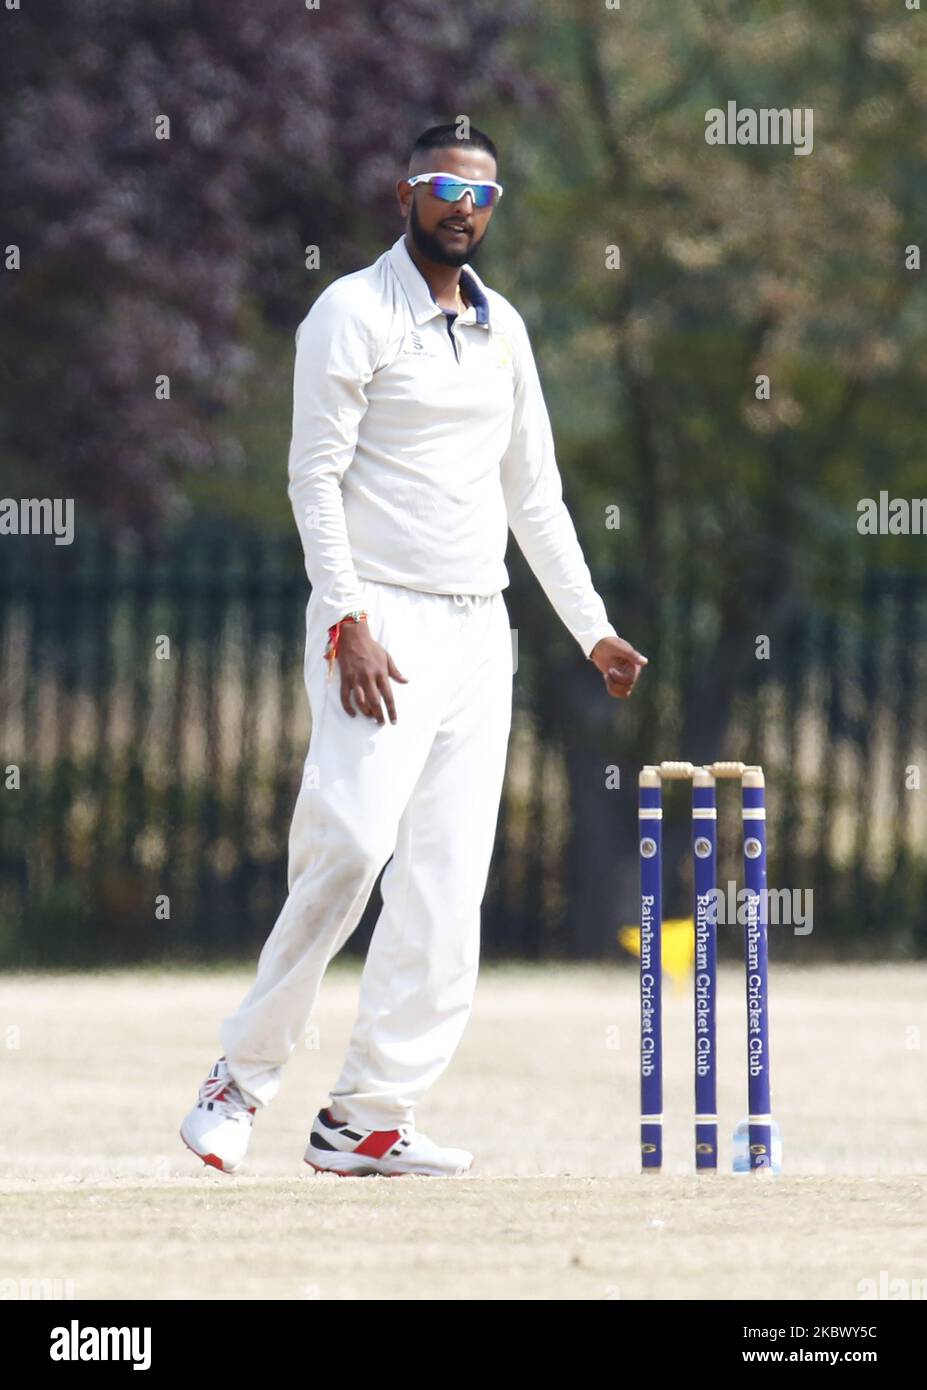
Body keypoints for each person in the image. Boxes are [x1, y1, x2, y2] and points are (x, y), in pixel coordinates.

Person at [180, 123, 647, 1178]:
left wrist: (594, 628)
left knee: (444, 881)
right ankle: (238, 1078)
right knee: (348, 843)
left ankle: (366, 1114)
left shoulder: (505, 330)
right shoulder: (350, 311)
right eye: (443, 187)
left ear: (494, 207)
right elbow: (313, 478)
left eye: (481, 193)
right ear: (408, 194)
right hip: (376, 623)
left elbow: (534, 494)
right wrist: (346, 618)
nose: (462, 206)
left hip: (479, 627)